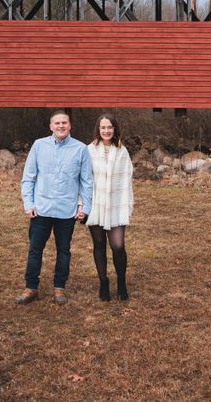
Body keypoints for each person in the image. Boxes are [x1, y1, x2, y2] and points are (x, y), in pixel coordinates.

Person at [16, 109, 92, 306]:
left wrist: (85, 207)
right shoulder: (39, 146)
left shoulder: (81, 149)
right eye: (57, 123)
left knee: (63, 250)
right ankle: (30, 287)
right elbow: (28, 177)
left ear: (70, 126)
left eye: (64, 123)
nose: (61, 126)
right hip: (41, 208)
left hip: (66, 210)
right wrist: (28, 203)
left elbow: (86, 181)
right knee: (35, 250)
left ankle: (59, 287)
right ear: (51, 126)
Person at [85, 113, 134, 301]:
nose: (106, 131)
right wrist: (83, 204)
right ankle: (103, 282)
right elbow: (84, 179)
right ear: (98, 129)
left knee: (118, 246)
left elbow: (127, 180)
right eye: (103, 127)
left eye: (109, 127)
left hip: (116, 204)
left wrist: (128, 204)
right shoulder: (89, 150)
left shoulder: (122, 152)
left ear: (115, 129)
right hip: (96, 204)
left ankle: (121, 282)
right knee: (99, 244)